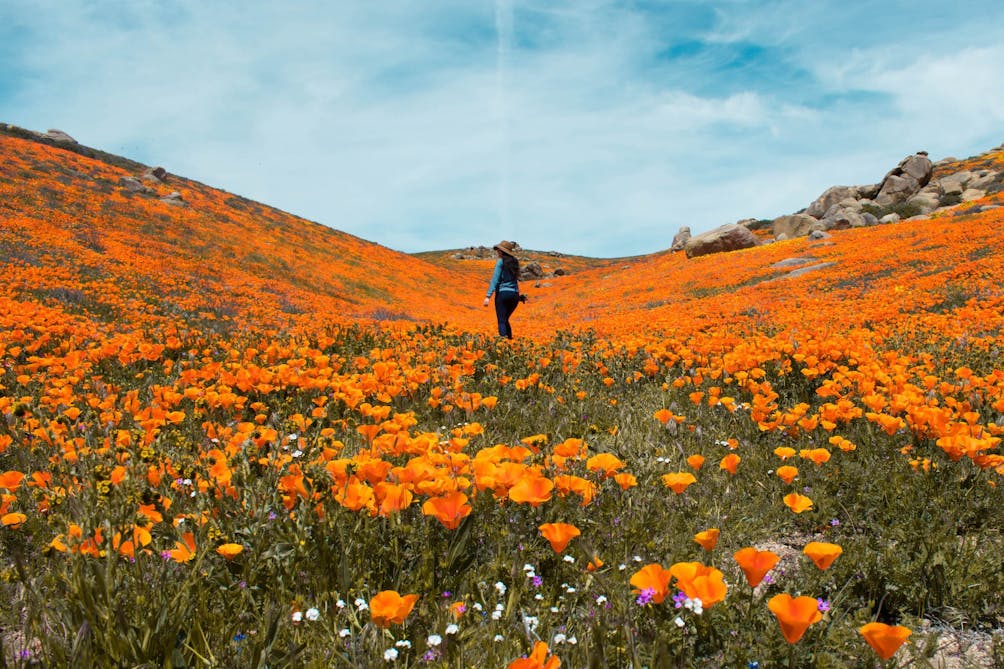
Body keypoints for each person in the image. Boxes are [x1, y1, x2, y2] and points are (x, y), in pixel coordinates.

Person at [482, 240, 525, 339]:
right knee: (505, 320)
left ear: (502, 251)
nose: (497, 252)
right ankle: (510, 342)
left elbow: (495, 280)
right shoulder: (514, 262)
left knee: (501, 320)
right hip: (514, 295)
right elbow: (515, 282)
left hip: (503, 294)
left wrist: (488, 296)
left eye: (498, 250)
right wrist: (518, 297)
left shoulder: (501, 262)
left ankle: (504, 343)